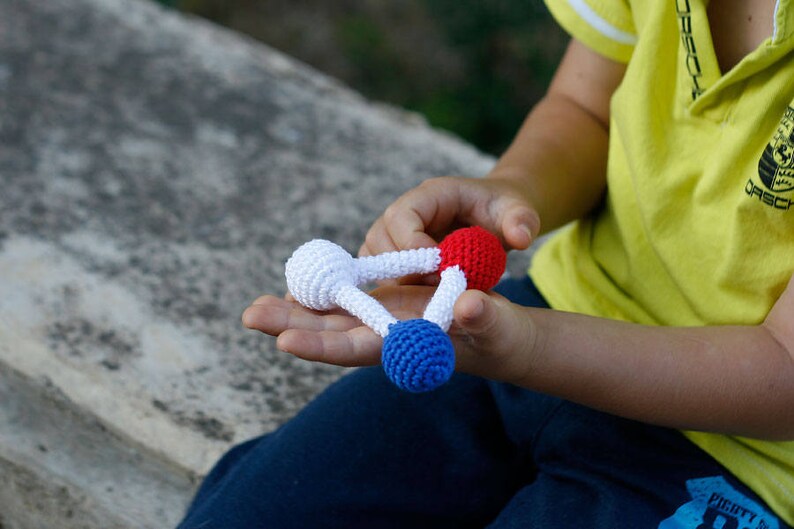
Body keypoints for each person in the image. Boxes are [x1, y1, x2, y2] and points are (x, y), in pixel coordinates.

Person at [178, 0, 794, 527]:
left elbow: (785, 371)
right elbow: (587, 109)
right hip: (552, 312)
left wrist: (527, 347)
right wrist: (509, 192)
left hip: (742, 459)